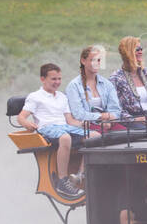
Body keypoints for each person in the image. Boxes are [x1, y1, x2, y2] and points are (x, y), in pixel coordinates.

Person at [18, 63, 100, 199]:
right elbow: (21, 117)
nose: (57, 82)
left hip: (64, 126)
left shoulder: (62, 96)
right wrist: (28, 124)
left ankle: (80, 174)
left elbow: (70, 121)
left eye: (59, 79)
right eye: (53, 79)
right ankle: (62, 180)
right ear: (43, 79)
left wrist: (83, 124)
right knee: (65, 138)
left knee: (95, 135)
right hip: (47, 128)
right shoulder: (35, 96)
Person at [110, 36, 147, 126]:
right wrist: (134, 119)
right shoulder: (116, 78)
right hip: (131, 122)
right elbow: (115, 108)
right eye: (137, 49)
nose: (140, 52)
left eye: (141, 49)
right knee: (144, 132)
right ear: (127, 52)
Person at [67, 44, 124, 133]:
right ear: (83, 60)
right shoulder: (74, 86)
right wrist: (101, 117)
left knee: (127, 134)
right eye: (93, 60)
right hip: (86, 126)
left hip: (108, 124)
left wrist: (108, 120)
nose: (96, 63)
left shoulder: (107, 84)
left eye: (98, 60)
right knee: (105, 137)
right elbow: (78, 114)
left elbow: (116, 110)